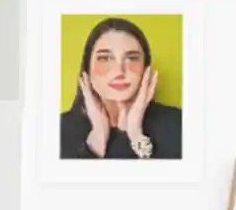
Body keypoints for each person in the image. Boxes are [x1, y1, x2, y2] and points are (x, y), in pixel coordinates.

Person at [60, 17, 183, 160]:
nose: (119, 71)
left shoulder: (179, 124)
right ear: (87, 68)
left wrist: (134, 135)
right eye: (105, 58)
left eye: (132, 58)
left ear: (145, 68)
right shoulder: (57, 131)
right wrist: (96, 142)